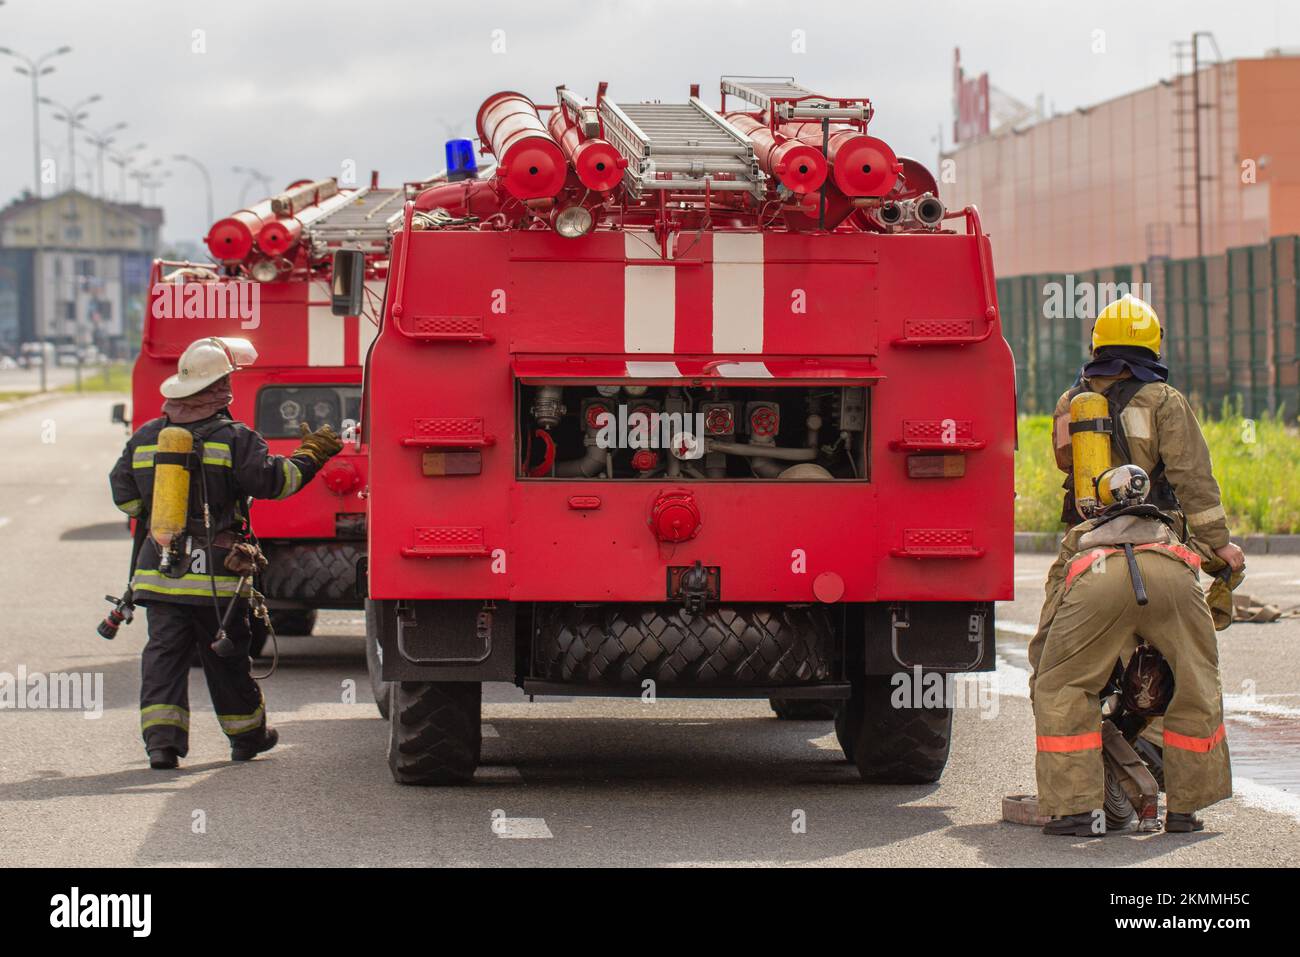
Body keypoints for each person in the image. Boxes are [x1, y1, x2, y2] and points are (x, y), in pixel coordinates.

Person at [109, 336, 343, 770]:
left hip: (159, 573)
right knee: (226, 656)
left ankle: (162, 745)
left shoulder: (145, 437)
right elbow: (277, 483)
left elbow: (123, 496)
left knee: (163, 657)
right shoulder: (234, 437)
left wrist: (162, 517)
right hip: (217, 577)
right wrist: (312, 455)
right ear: (220, 390)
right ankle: (248, 738)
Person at [1029, 295, 1244, 719]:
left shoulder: (1070, 401)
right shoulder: (1165, 400)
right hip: (1157, 540)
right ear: (1153, 347)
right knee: (1184, 660)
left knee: (1053, 654)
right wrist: (1219, 546)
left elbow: (1065, 462)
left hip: (1087, 541)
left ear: (1097, 347)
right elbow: (1194, 480)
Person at [1033, 466, 1231, 835]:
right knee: (1196, 685)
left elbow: (1052, 618)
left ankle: (1079, 813)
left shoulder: (1082, 535)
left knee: (1064, 689)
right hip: (1173, 576)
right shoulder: (1170, 531)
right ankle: (1185, 811)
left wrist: (1044, 674)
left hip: (1100, 578)